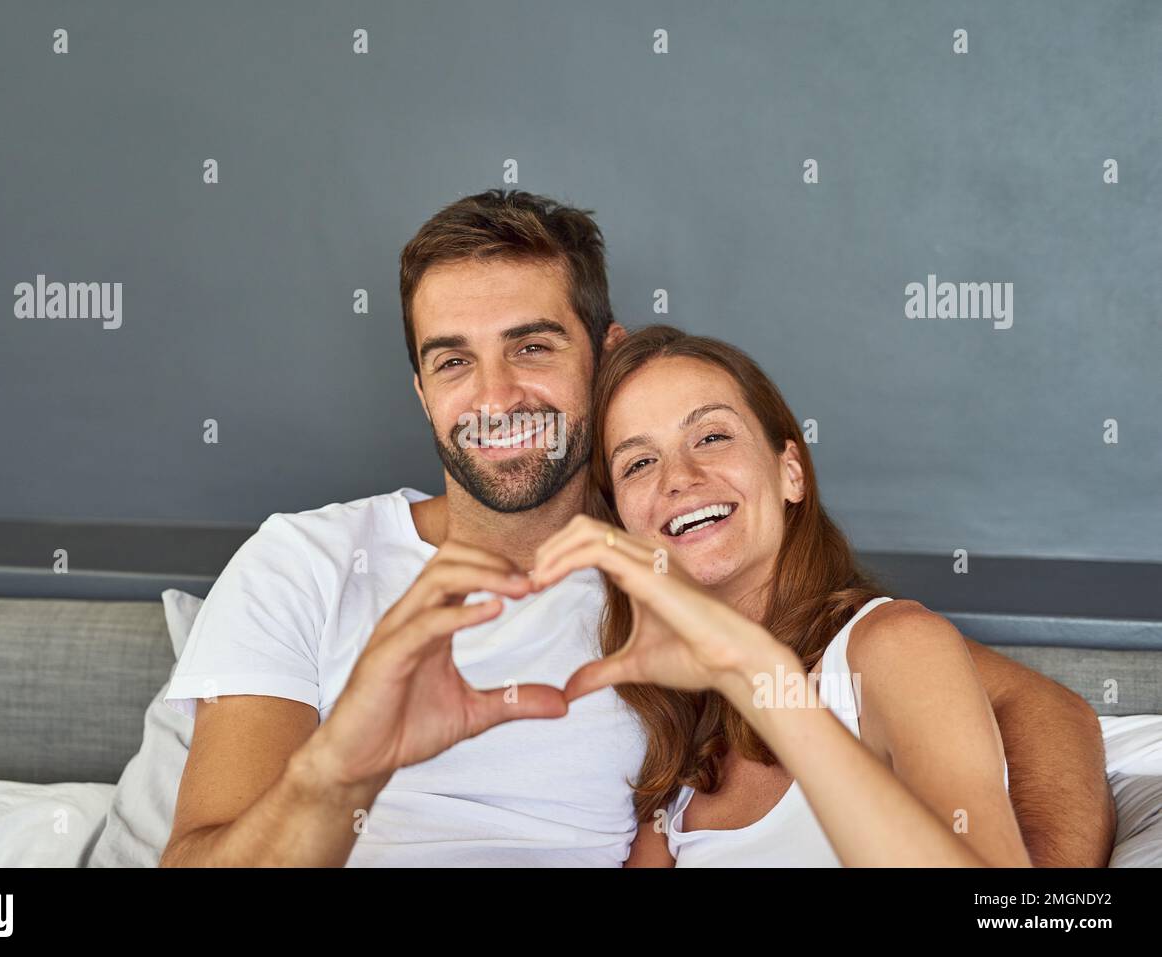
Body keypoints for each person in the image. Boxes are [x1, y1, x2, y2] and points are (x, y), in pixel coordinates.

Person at [158, 189, 1114, 867]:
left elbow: (1042, 713)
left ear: (602, 353)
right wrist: (341, 772)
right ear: (420, 390)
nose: (495, 396)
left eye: (532, 346)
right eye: (453, 362)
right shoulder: (306, 560)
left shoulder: (678, 568)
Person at [532, 325, 1027, 865]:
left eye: (711, 437)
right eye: (639, 463)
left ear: (791, 472)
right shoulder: (680, 749)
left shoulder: (896, 647)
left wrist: (761, 675)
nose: (678, 478)